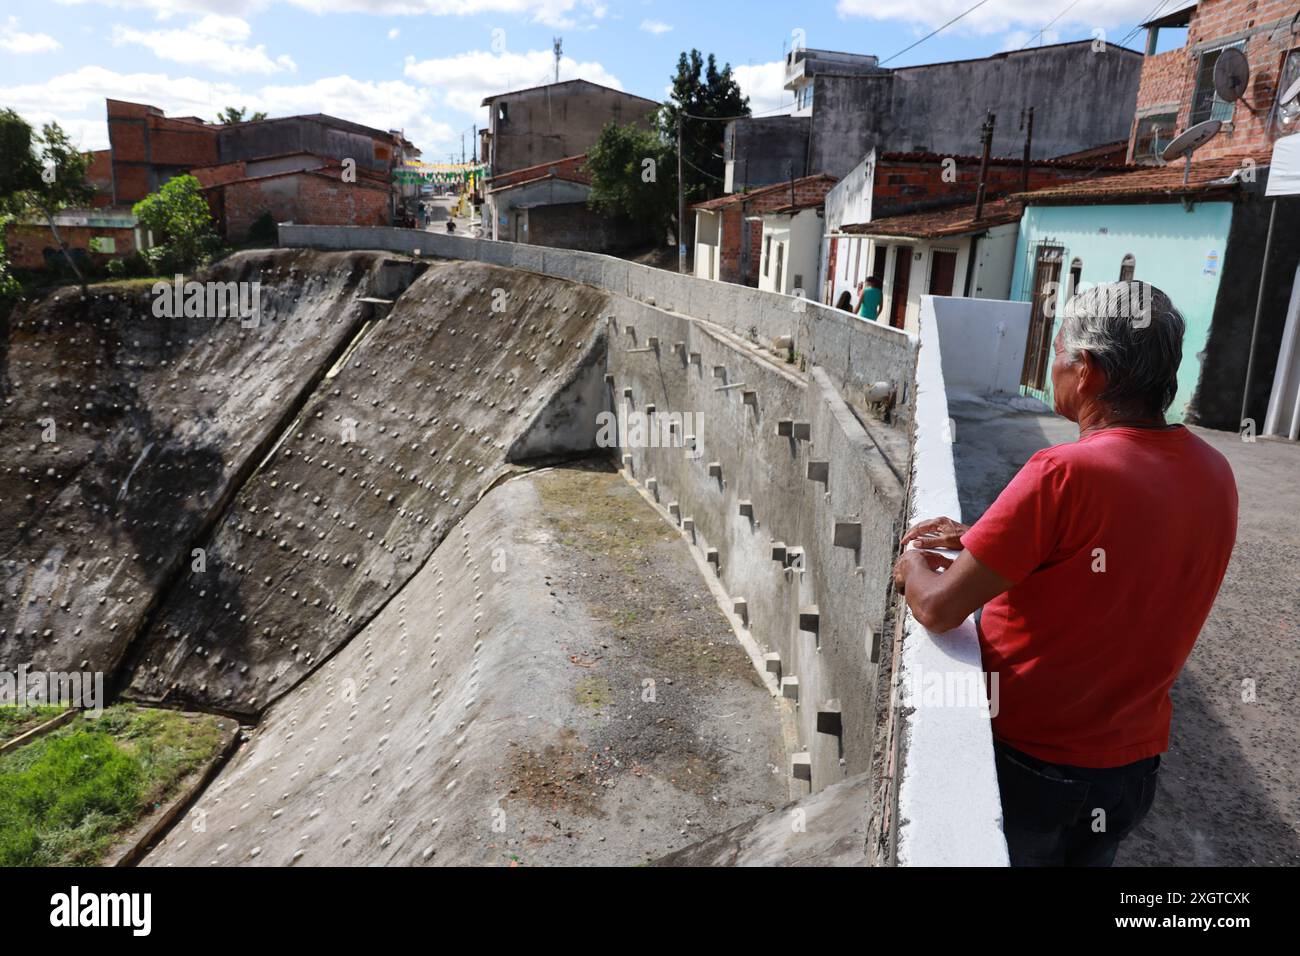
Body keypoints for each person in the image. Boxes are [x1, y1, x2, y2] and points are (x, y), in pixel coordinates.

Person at [891, 282, 1237, 867]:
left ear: (1090, 371)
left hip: (1038, 769)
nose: (1051, 368)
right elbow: (1109, 558)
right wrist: (984, 537)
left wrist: (909, 564)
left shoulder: (1063, 473)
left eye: (1057, 354)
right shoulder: (1214, 471)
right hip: (1131, 770)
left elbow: (940, 607)